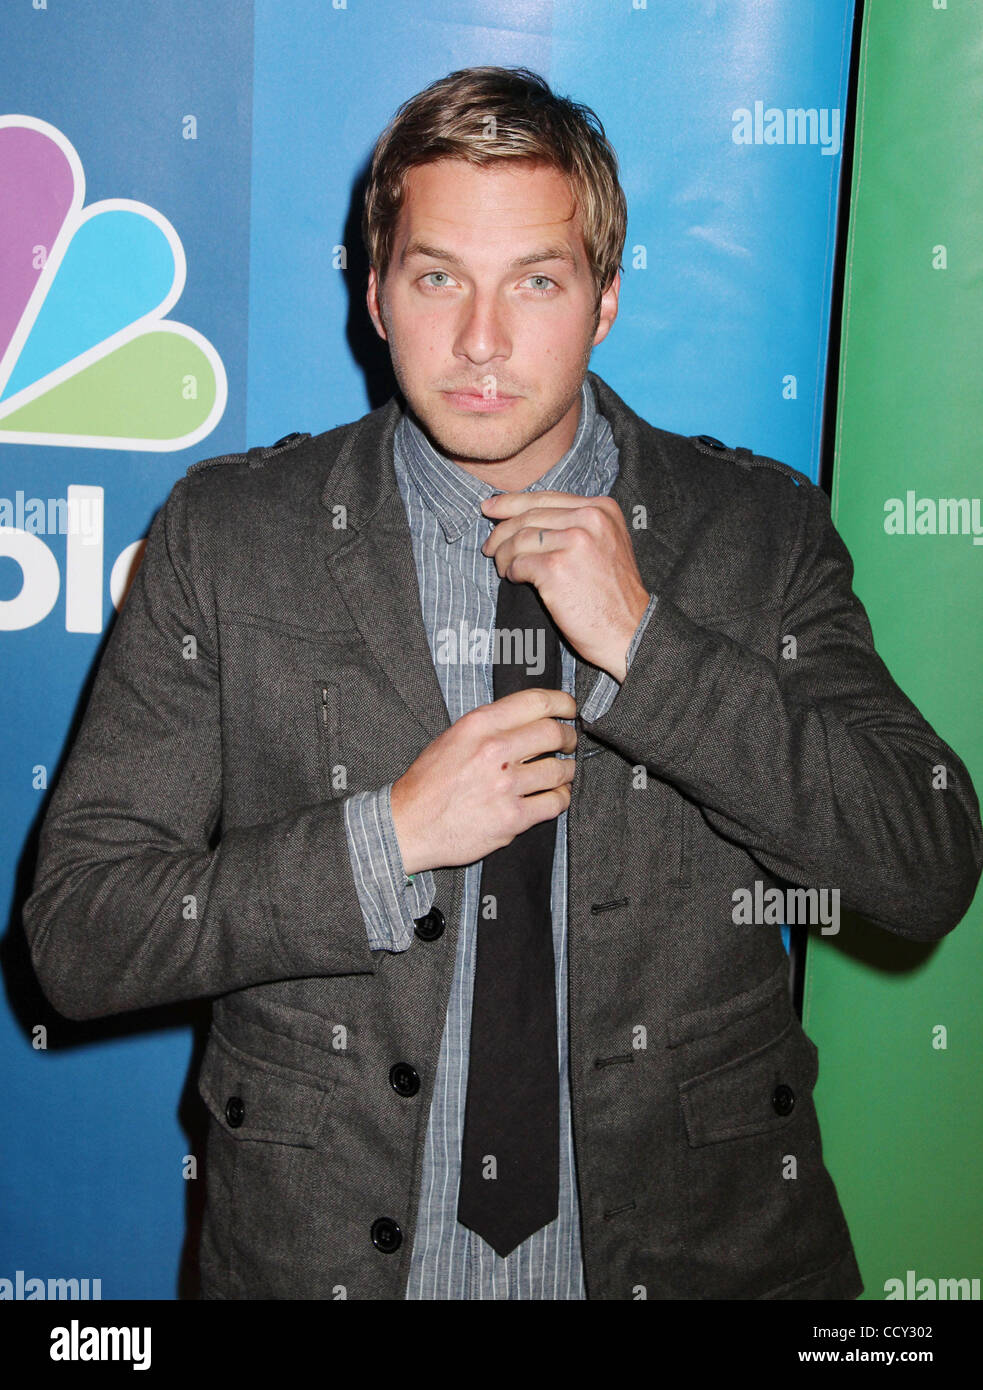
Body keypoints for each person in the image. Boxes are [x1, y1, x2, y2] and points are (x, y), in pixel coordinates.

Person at [23, 66, 982, 1301]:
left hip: (700, 1262)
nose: (482, 340)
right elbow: (79, 936)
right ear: (374, 292)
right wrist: (387, 838)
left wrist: (649, 645)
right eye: (437, 277)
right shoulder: (231, 534)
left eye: (535, 279)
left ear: (605, 301)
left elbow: (924, 861)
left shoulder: (756, 530)